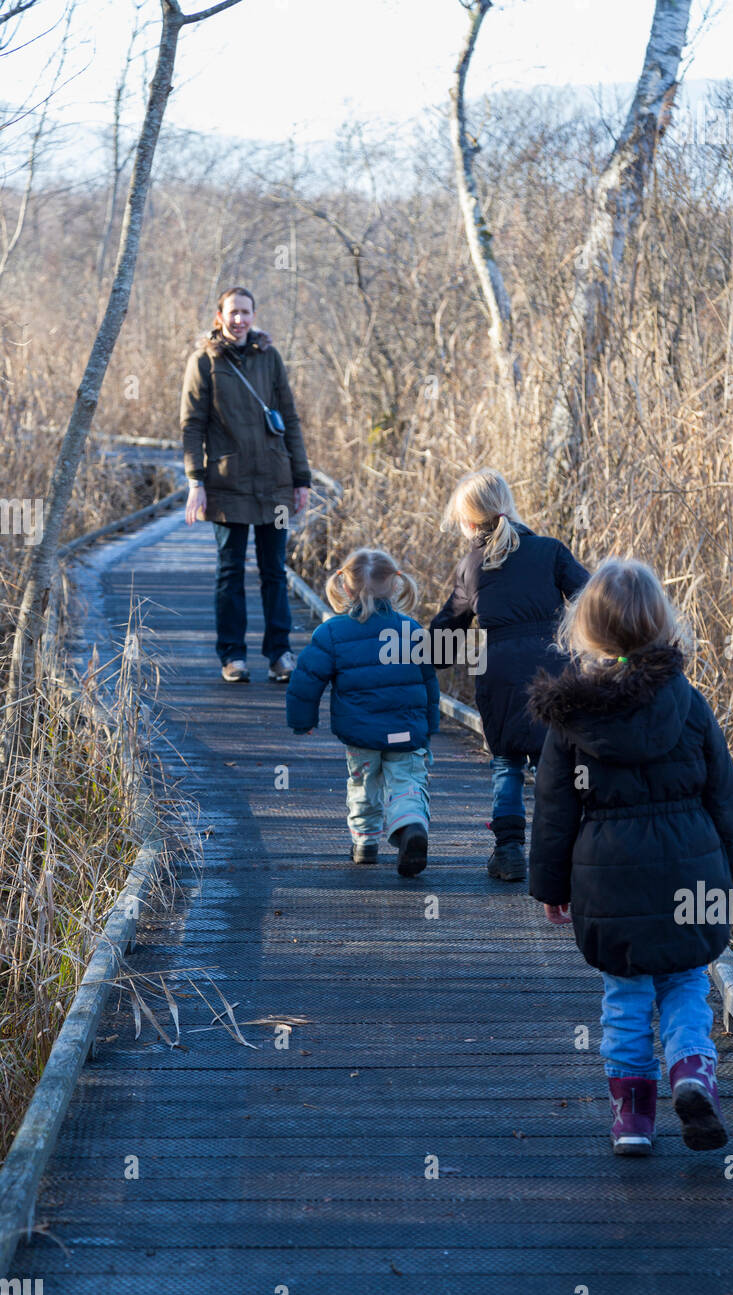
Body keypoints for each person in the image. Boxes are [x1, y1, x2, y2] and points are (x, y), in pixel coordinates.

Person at [527, 557, 733, 1155]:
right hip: (691, 866)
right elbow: (722, 791)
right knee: (685, 981)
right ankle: (690, 1071)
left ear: (584, 629)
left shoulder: (569, 719)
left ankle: (632, 1118)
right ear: (662, 625)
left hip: (608, 882)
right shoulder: (690, 703)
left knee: (625, 994)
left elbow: (555, 811)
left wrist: (551, 885)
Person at [429, 468, 589, 881]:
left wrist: (420, 662)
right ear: (509, 504)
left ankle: (509, 851)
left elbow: (448, 630)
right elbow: (592, 599)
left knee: (506, 764)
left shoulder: (471, 565)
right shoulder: (551, 551)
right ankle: (564, 854)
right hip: (555, 669)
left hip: (498, 673)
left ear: (467, 522)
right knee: (555, 766)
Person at [181, 286, 311, 683]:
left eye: (246, 312)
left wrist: (300, 478)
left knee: (274, 571)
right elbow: (192, 425)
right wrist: (195, 481)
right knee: (230, 571)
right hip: (227, 482)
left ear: (254, 316)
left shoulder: (268, 357)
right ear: (220, 316)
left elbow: (289, 417)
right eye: (233, 312)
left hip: (274, 482)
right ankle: (233, 657)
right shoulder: (203, 361)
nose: (240, 319)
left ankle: (279, 654)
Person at [285, 548, 439, 877]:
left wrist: (303, 721)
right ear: (395, 585)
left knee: (363, 782)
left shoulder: (332, 632)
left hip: (362, 732)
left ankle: (365, 843)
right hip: (405, 731)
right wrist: (431, 724)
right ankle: (410, 824)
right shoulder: (412, 629)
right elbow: (429, 682)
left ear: (346, 587)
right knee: (407, 779)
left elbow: (306, 678)